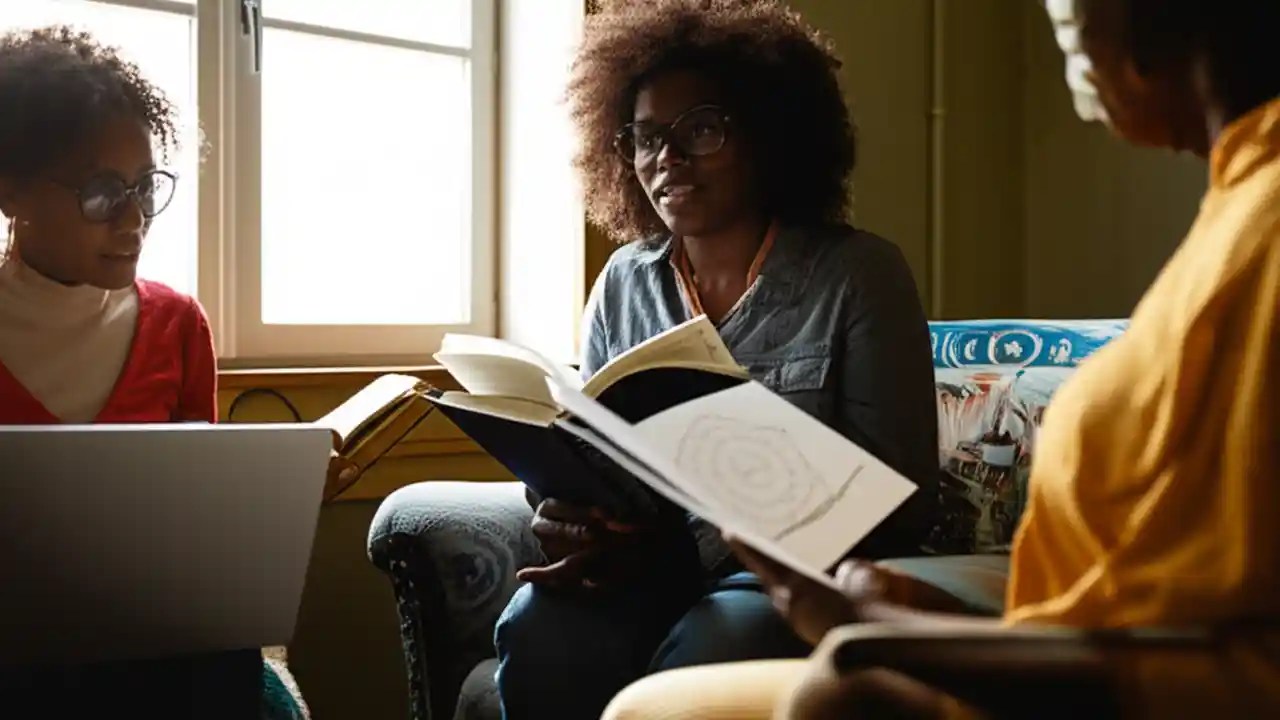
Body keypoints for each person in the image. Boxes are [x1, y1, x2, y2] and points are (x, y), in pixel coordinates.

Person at [600, 0, 1280, 717]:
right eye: (646, 138)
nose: (1063, 27)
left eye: (700, 130)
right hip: (1041, 651)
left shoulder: (1257, 242)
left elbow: (1204, 647)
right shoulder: (1235, 209)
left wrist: (875, 632)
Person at [492, 1, 939, 718]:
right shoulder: (622, 284)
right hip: (644, 566)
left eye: (700, 129)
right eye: (645, 137)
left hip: (783, 574)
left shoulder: (859, 274)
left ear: (769, 137)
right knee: (541, 627)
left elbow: (908, 501)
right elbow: (594, 453)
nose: (666, 158)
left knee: (726, 639)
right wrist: (571, 517)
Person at [0, 25, 308, 719]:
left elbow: (197, 540)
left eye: (144, 187)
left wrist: (272, 505)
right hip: (15, 652)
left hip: (154, 648)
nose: (135, 218)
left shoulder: (176, 326)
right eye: (103, 193)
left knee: (221, 668)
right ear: (10, 191)